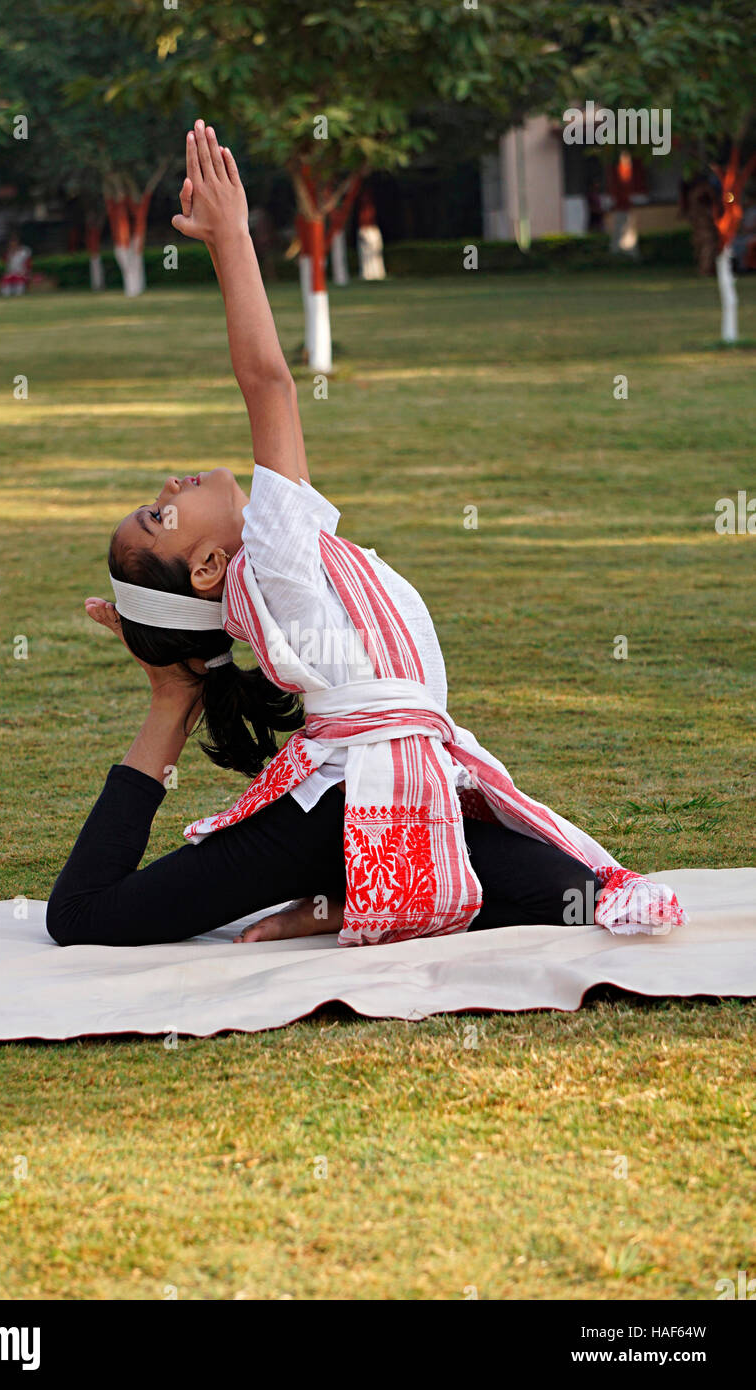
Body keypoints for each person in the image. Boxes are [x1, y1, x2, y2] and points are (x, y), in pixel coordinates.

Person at [46, 121, 685, 950]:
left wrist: (163, 627)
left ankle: (356, 892)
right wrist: (231, 241)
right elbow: (269, 384)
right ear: (209, 565)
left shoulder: (290, 554)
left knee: (582, 891)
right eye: (158, 513)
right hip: (338, 804)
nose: (169, 485)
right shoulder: (272, 557)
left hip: (417, 781)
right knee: (87, 918)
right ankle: (226, 761)